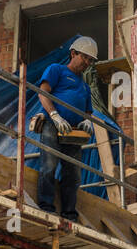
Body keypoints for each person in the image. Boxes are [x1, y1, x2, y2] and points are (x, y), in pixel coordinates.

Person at [35, 37, 98, 222]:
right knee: (49, 164)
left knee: (73, 174)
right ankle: (46, 206)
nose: (87, 63)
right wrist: (54, 115)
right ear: (73, 53)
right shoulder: (57, 70)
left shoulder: (85, 87)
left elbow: (87, 112)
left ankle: (69, 214)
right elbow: (43, 92)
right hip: (53, 125)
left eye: (90, 60)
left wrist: (88, 122)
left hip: (74, 132)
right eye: (85, 58)